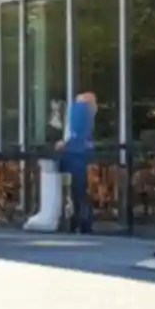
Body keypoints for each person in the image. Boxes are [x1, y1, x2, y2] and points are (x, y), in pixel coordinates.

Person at [56, 92, 97, 234]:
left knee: (75, 192)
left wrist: (65, 145)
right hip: (81, 157)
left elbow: (75, 135)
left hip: (74, 157)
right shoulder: (87, 120)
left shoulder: (78, 111)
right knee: (81, 193)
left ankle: (75, 222)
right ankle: (82, 223)